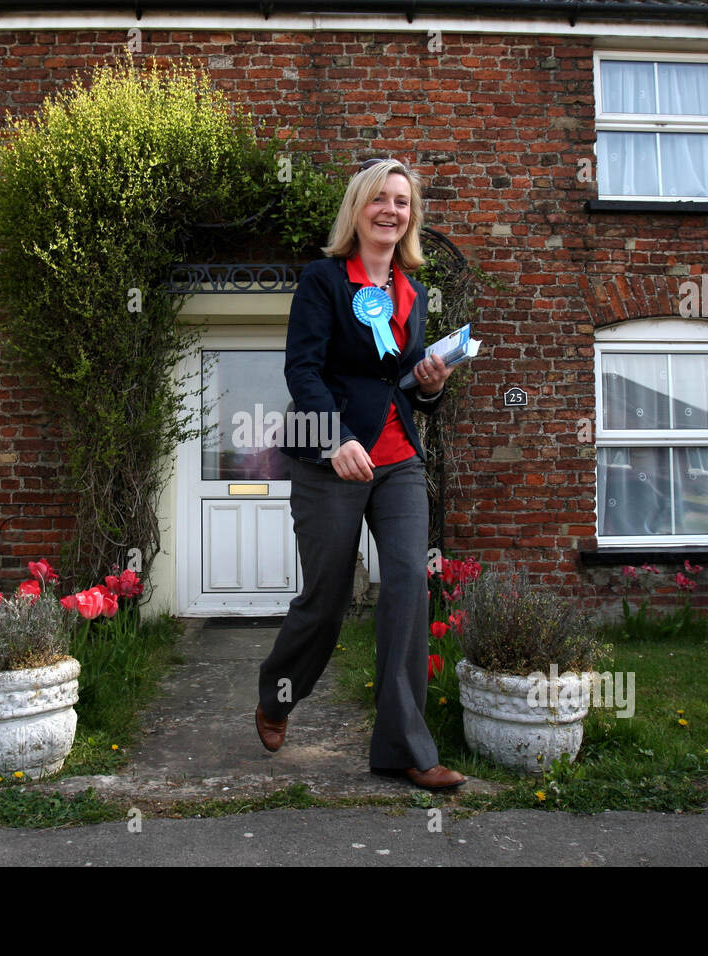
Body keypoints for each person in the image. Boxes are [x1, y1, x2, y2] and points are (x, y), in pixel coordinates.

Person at [254, 157, 464, 790]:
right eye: (379, 199)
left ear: (411, 217)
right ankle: (277, 694)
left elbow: (400, 383)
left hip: (398, 459)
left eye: (401, 202)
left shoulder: (412, 290)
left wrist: (431, 385)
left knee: (407, 584)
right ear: (358, 209)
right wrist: (336, 437)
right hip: (331, 457)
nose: (391, 211)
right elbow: (304, 371)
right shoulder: (323, 281)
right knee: (328, 595)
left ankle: (405, 750)